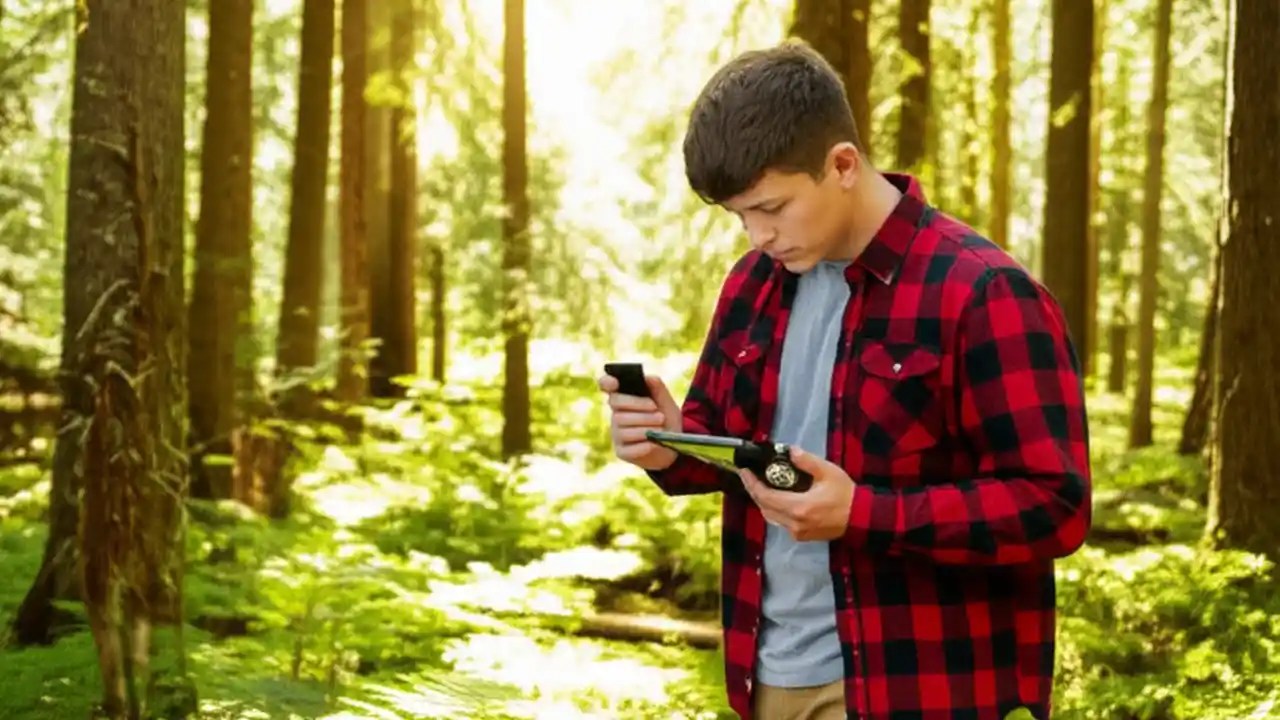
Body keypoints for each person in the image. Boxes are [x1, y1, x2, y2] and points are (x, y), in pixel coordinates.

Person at [597, 41, 1091, 720]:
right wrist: (670, 442)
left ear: (843, 165)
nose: (756, 235)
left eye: (771, 207)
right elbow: (737, 455)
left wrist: (864, 513)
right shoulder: (752, 287)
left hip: (921, 689)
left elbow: (1053, 505)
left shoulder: (983, 293)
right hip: (769, 676)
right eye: (739, 215)